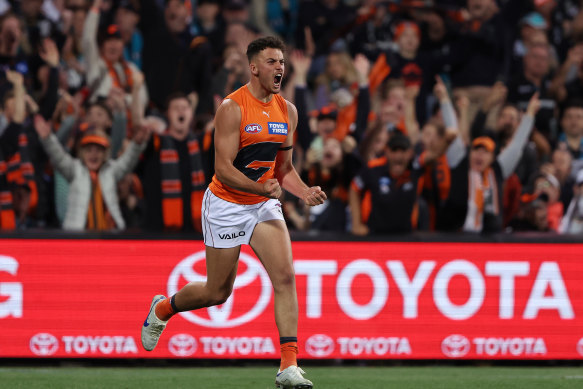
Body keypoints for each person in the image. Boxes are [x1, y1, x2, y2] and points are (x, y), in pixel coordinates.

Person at [141, 36, 325, 389]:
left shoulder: (288, 111)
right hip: (226, 204)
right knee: (217, 292)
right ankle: (163, 309)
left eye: (282, 62)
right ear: (254, 68)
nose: (280, 68)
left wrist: (304, 192)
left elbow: (283, 169)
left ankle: (288, 366)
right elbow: (222, 169)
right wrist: (261, 187)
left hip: (261, 205)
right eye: (272, 62)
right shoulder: (232, 108)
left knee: (285, 277)